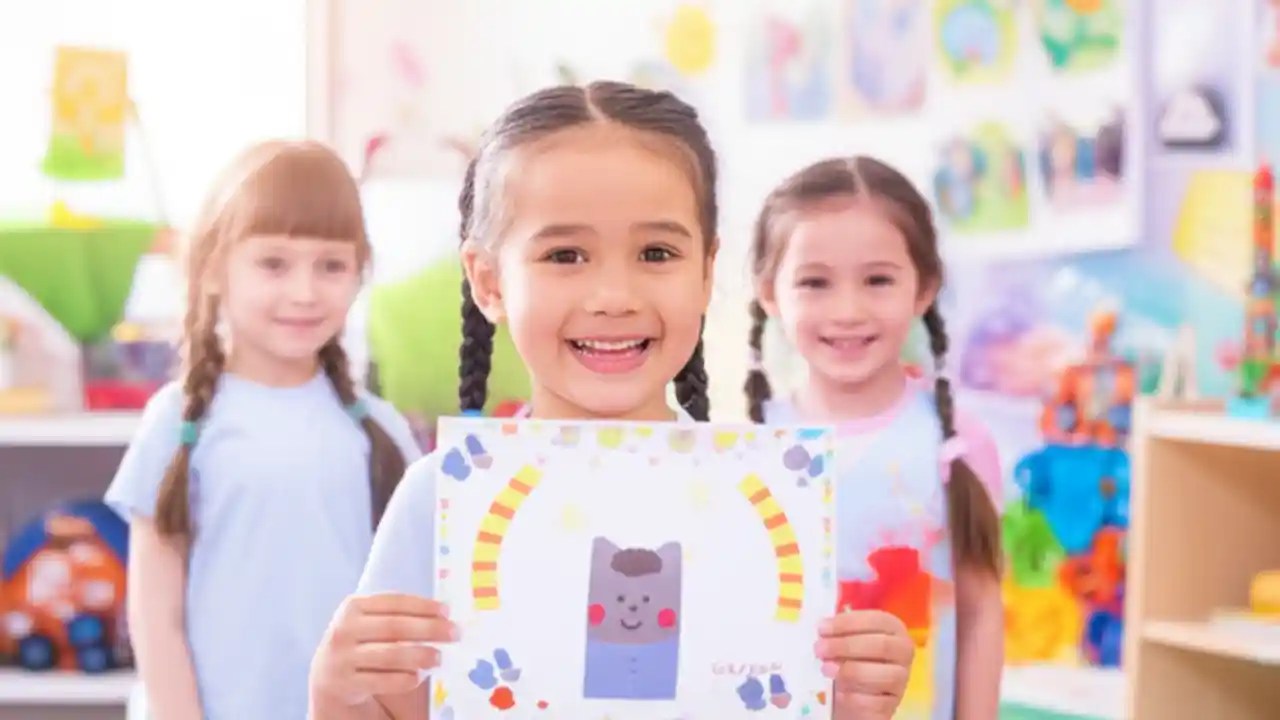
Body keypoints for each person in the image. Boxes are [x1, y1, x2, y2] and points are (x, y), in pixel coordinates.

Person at [308, 82, 915, 720]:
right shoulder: (438, 503)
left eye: (657, 253)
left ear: (707, 273)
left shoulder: (762, 510)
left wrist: (850, 706)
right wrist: (335, 691)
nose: (613, 295)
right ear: (489, 281)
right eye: (565, 254)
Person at [105, 140, 420, 719]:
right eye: (274, 263)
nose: (304, 292)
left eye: (331, 265)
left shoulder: (379, 430)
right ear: (214, 269)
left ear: (359, 274)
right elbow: (155, 618)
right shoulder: (177, 423)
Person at [745, 156, 1005, 719]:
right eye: (814, 282)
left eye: (878, 280)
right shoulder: (748, 445)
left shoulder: (956, 441)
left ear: (923, 289)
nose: (848, 310)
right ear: (770, 293)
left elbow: (981, 610)